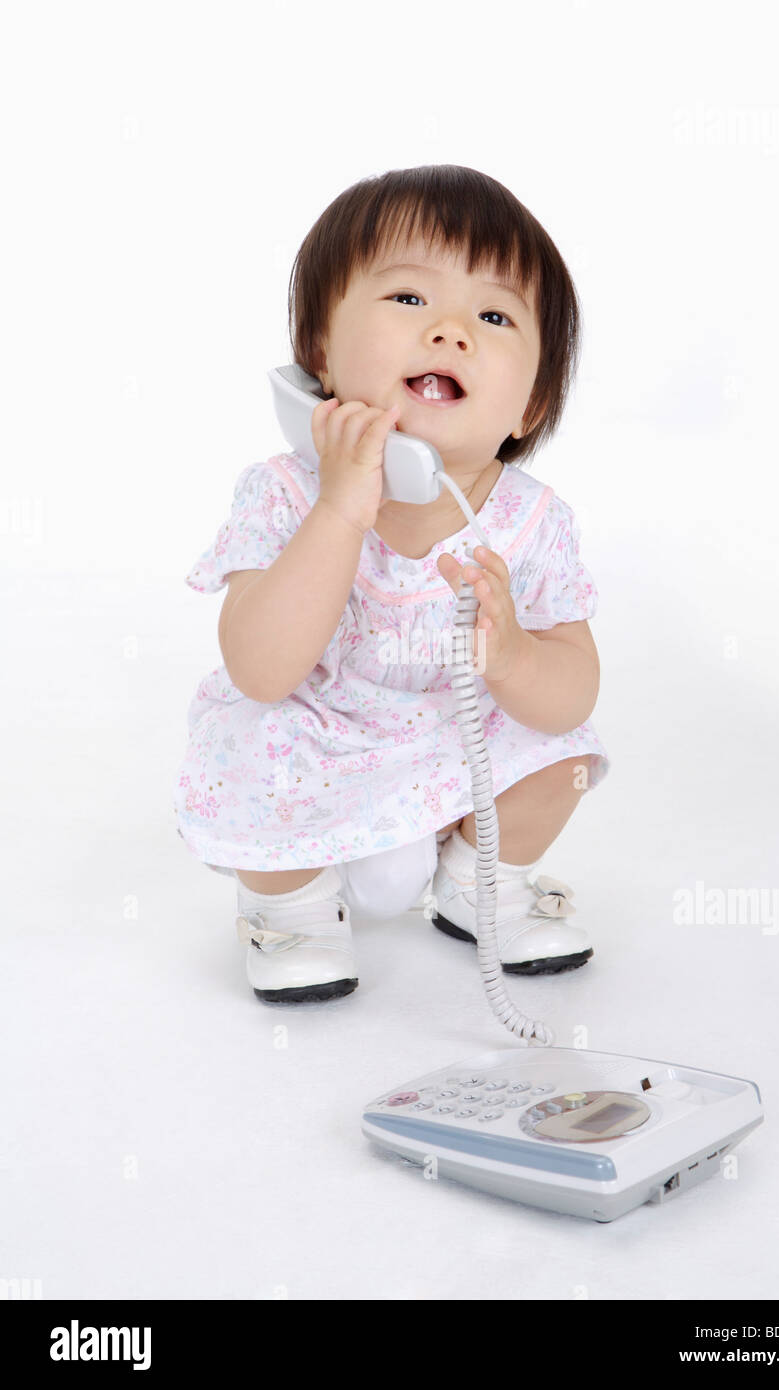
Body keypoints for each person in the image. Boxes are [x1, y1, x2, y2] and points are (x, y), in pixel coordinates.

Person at [172, 164, 610, 1005]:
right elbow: (262, 671)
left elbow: (571, 694)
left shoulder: (533, 522)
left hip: (453, 755)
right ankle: (292, 909)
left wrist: (516, 657)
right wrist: (342, 506)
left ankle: (483, 884)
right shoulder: (286, 492)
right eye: (409, 300)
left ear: (532, 403)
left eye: (493, 315)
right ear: (319, 356)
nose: (450, 332)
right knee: (251, 737)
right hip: (319, 746)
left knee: (565, 757)